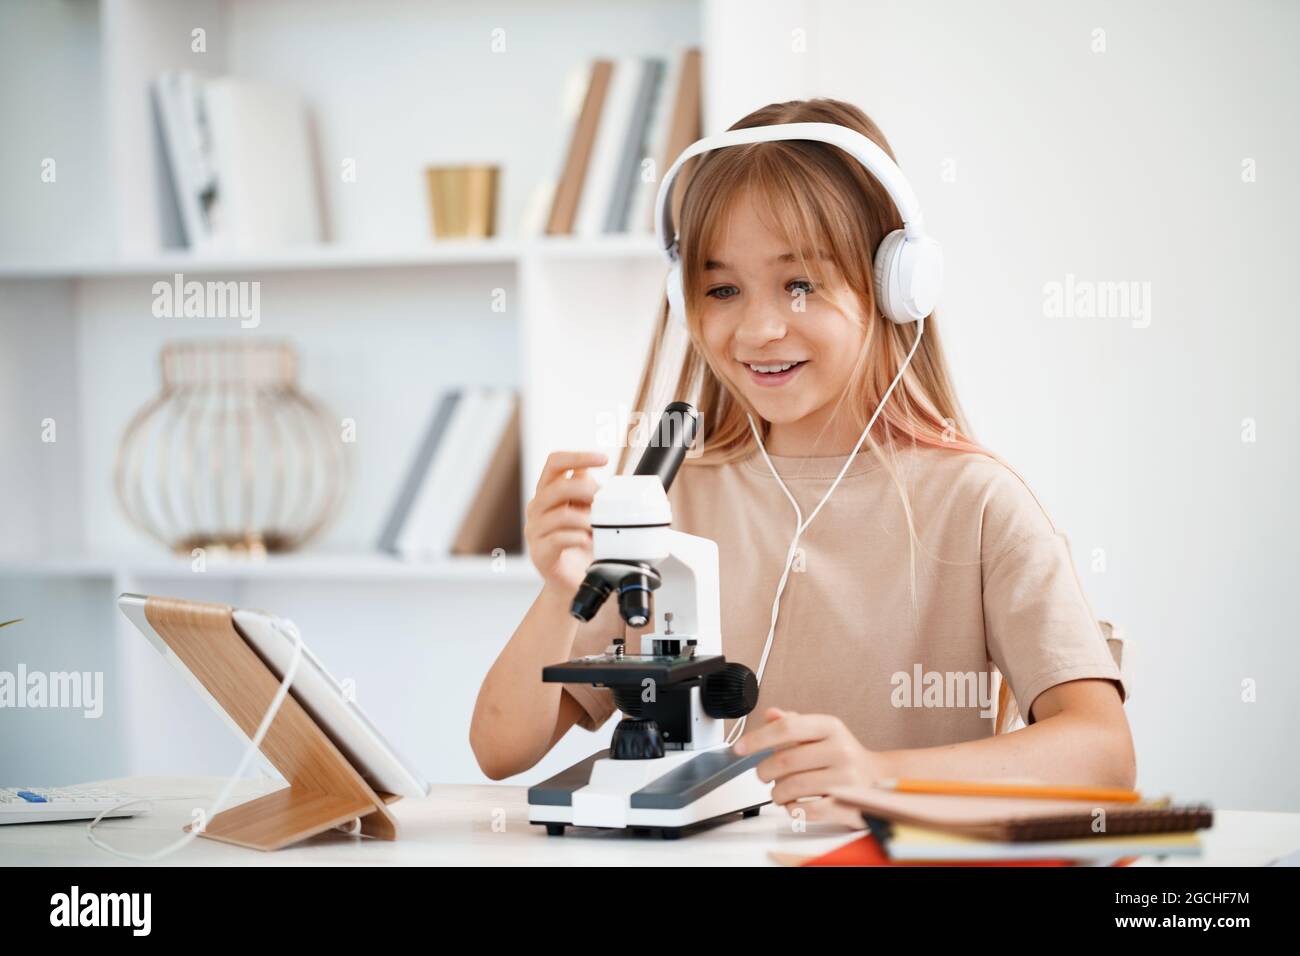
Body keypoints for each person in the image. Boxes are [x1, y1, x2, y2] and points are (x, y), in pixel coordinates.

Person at [471, 97, 1134, 827]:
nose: (758, 327)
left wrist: (876, 776)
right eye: (722, 289)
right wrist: (559, 587)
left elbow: (1103, 753)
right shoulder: (672, 498)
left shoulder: (976, 503)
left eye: (800, 285)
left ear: (894, 285)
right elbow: (500, 748)